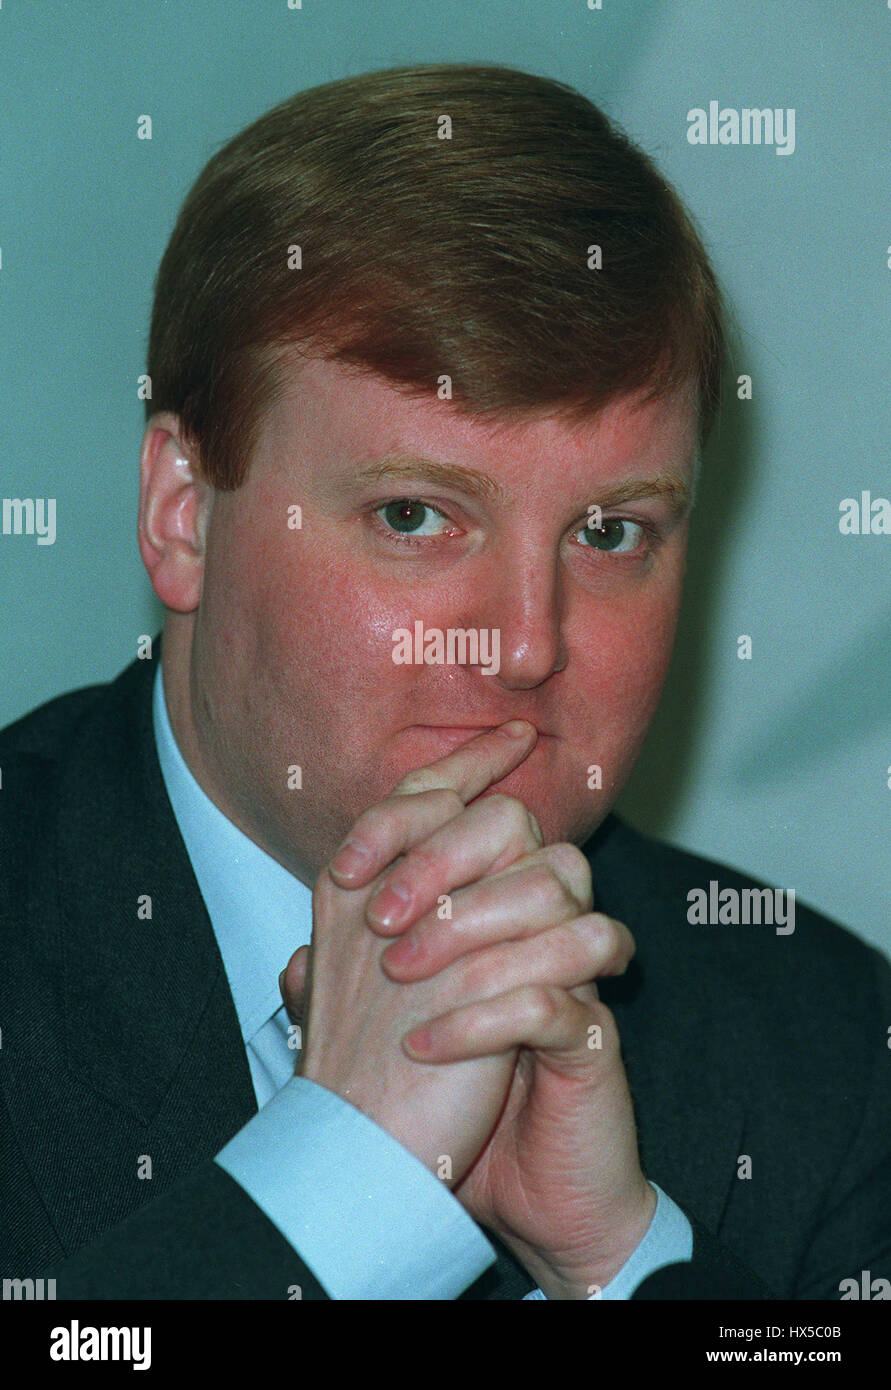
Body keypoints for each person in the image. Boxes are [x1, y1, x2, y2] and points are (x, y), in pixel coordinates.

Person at [1, 64, 888, 1302]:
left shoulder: (832, 1052)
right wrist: (347, 1177)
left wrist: (621, 1263)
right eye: (416, 514)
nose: (526, 645)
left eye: (613, 531)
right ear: (184, 514)